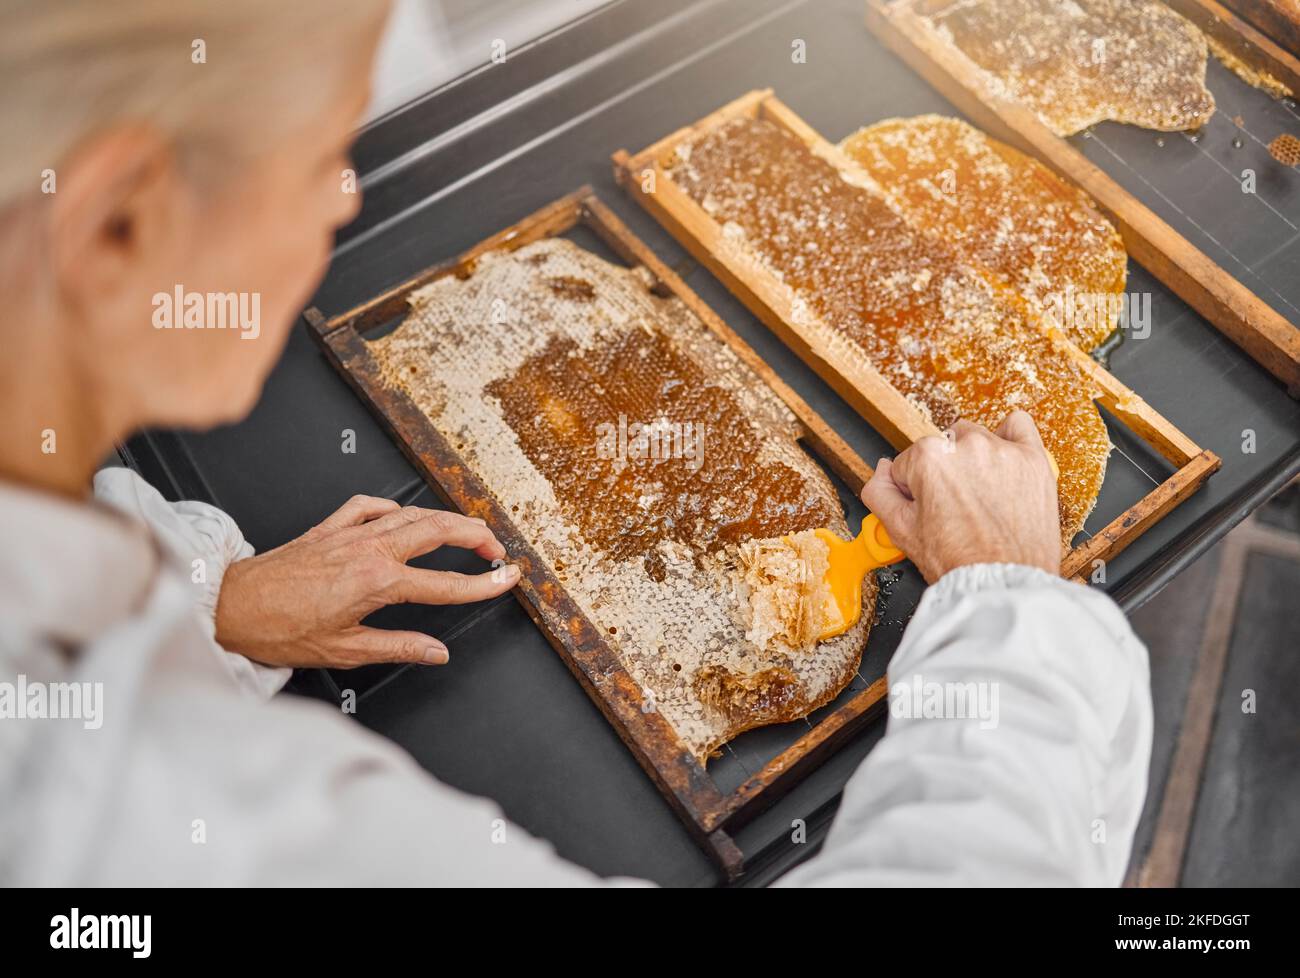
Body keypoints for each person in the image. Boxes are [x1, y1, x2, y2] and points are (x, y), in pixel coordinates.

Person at [0, 0, 1150, 886]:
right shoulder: (182, 830)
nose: (343, 205)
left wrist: (207, 594)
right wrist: (1012, 609)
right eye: (317, 160)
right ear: (120, 220)